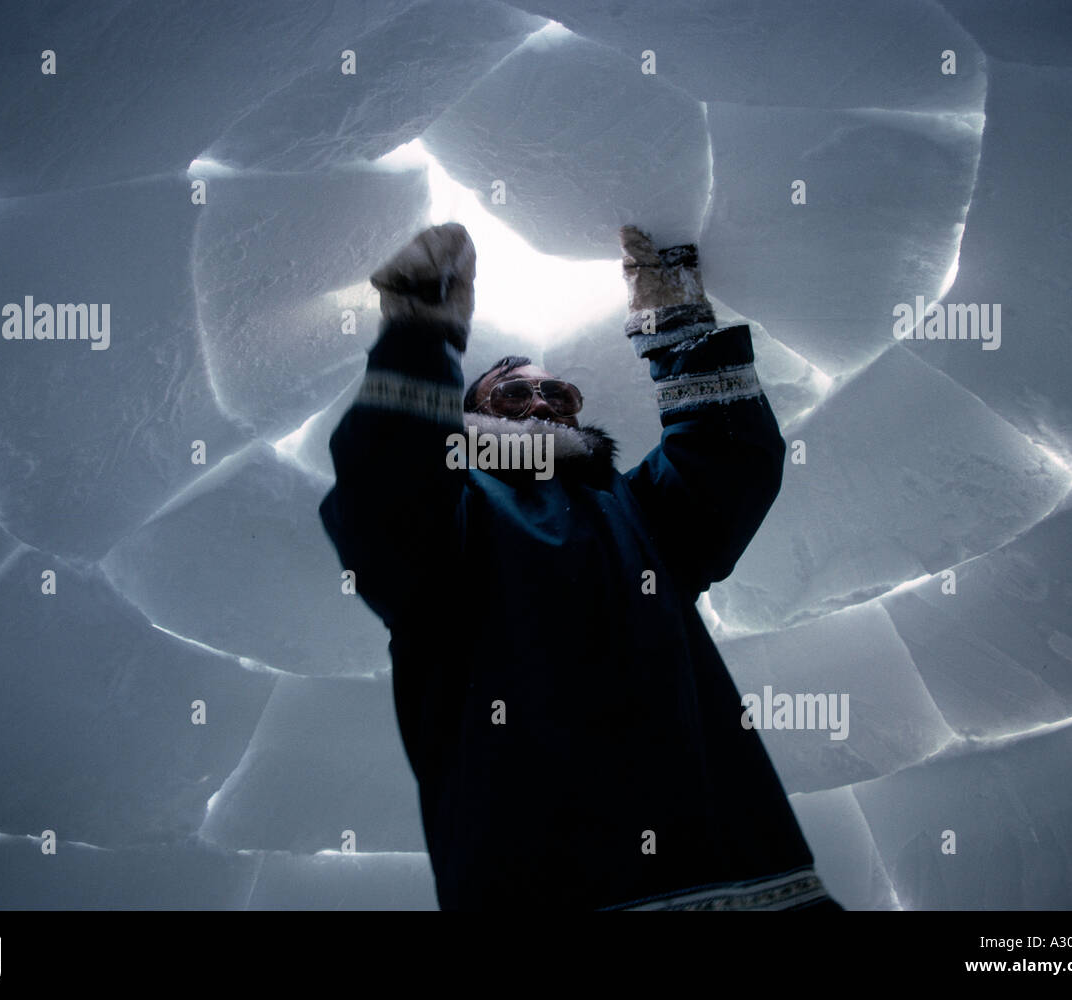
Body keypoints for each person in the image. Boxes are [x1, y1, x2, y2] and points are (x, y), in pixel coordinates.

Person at [318, 221, 844, 911]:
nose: (541, 401)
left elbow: (728, 461)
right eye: (513, 394)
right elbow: (386, 490)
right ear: (469, 416)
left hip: (726, 861)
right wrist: (420, 332)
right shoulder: (456, 514)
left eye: (559, 394)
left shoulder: (635, 510)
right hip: (540, 863)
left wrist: (676, 319)